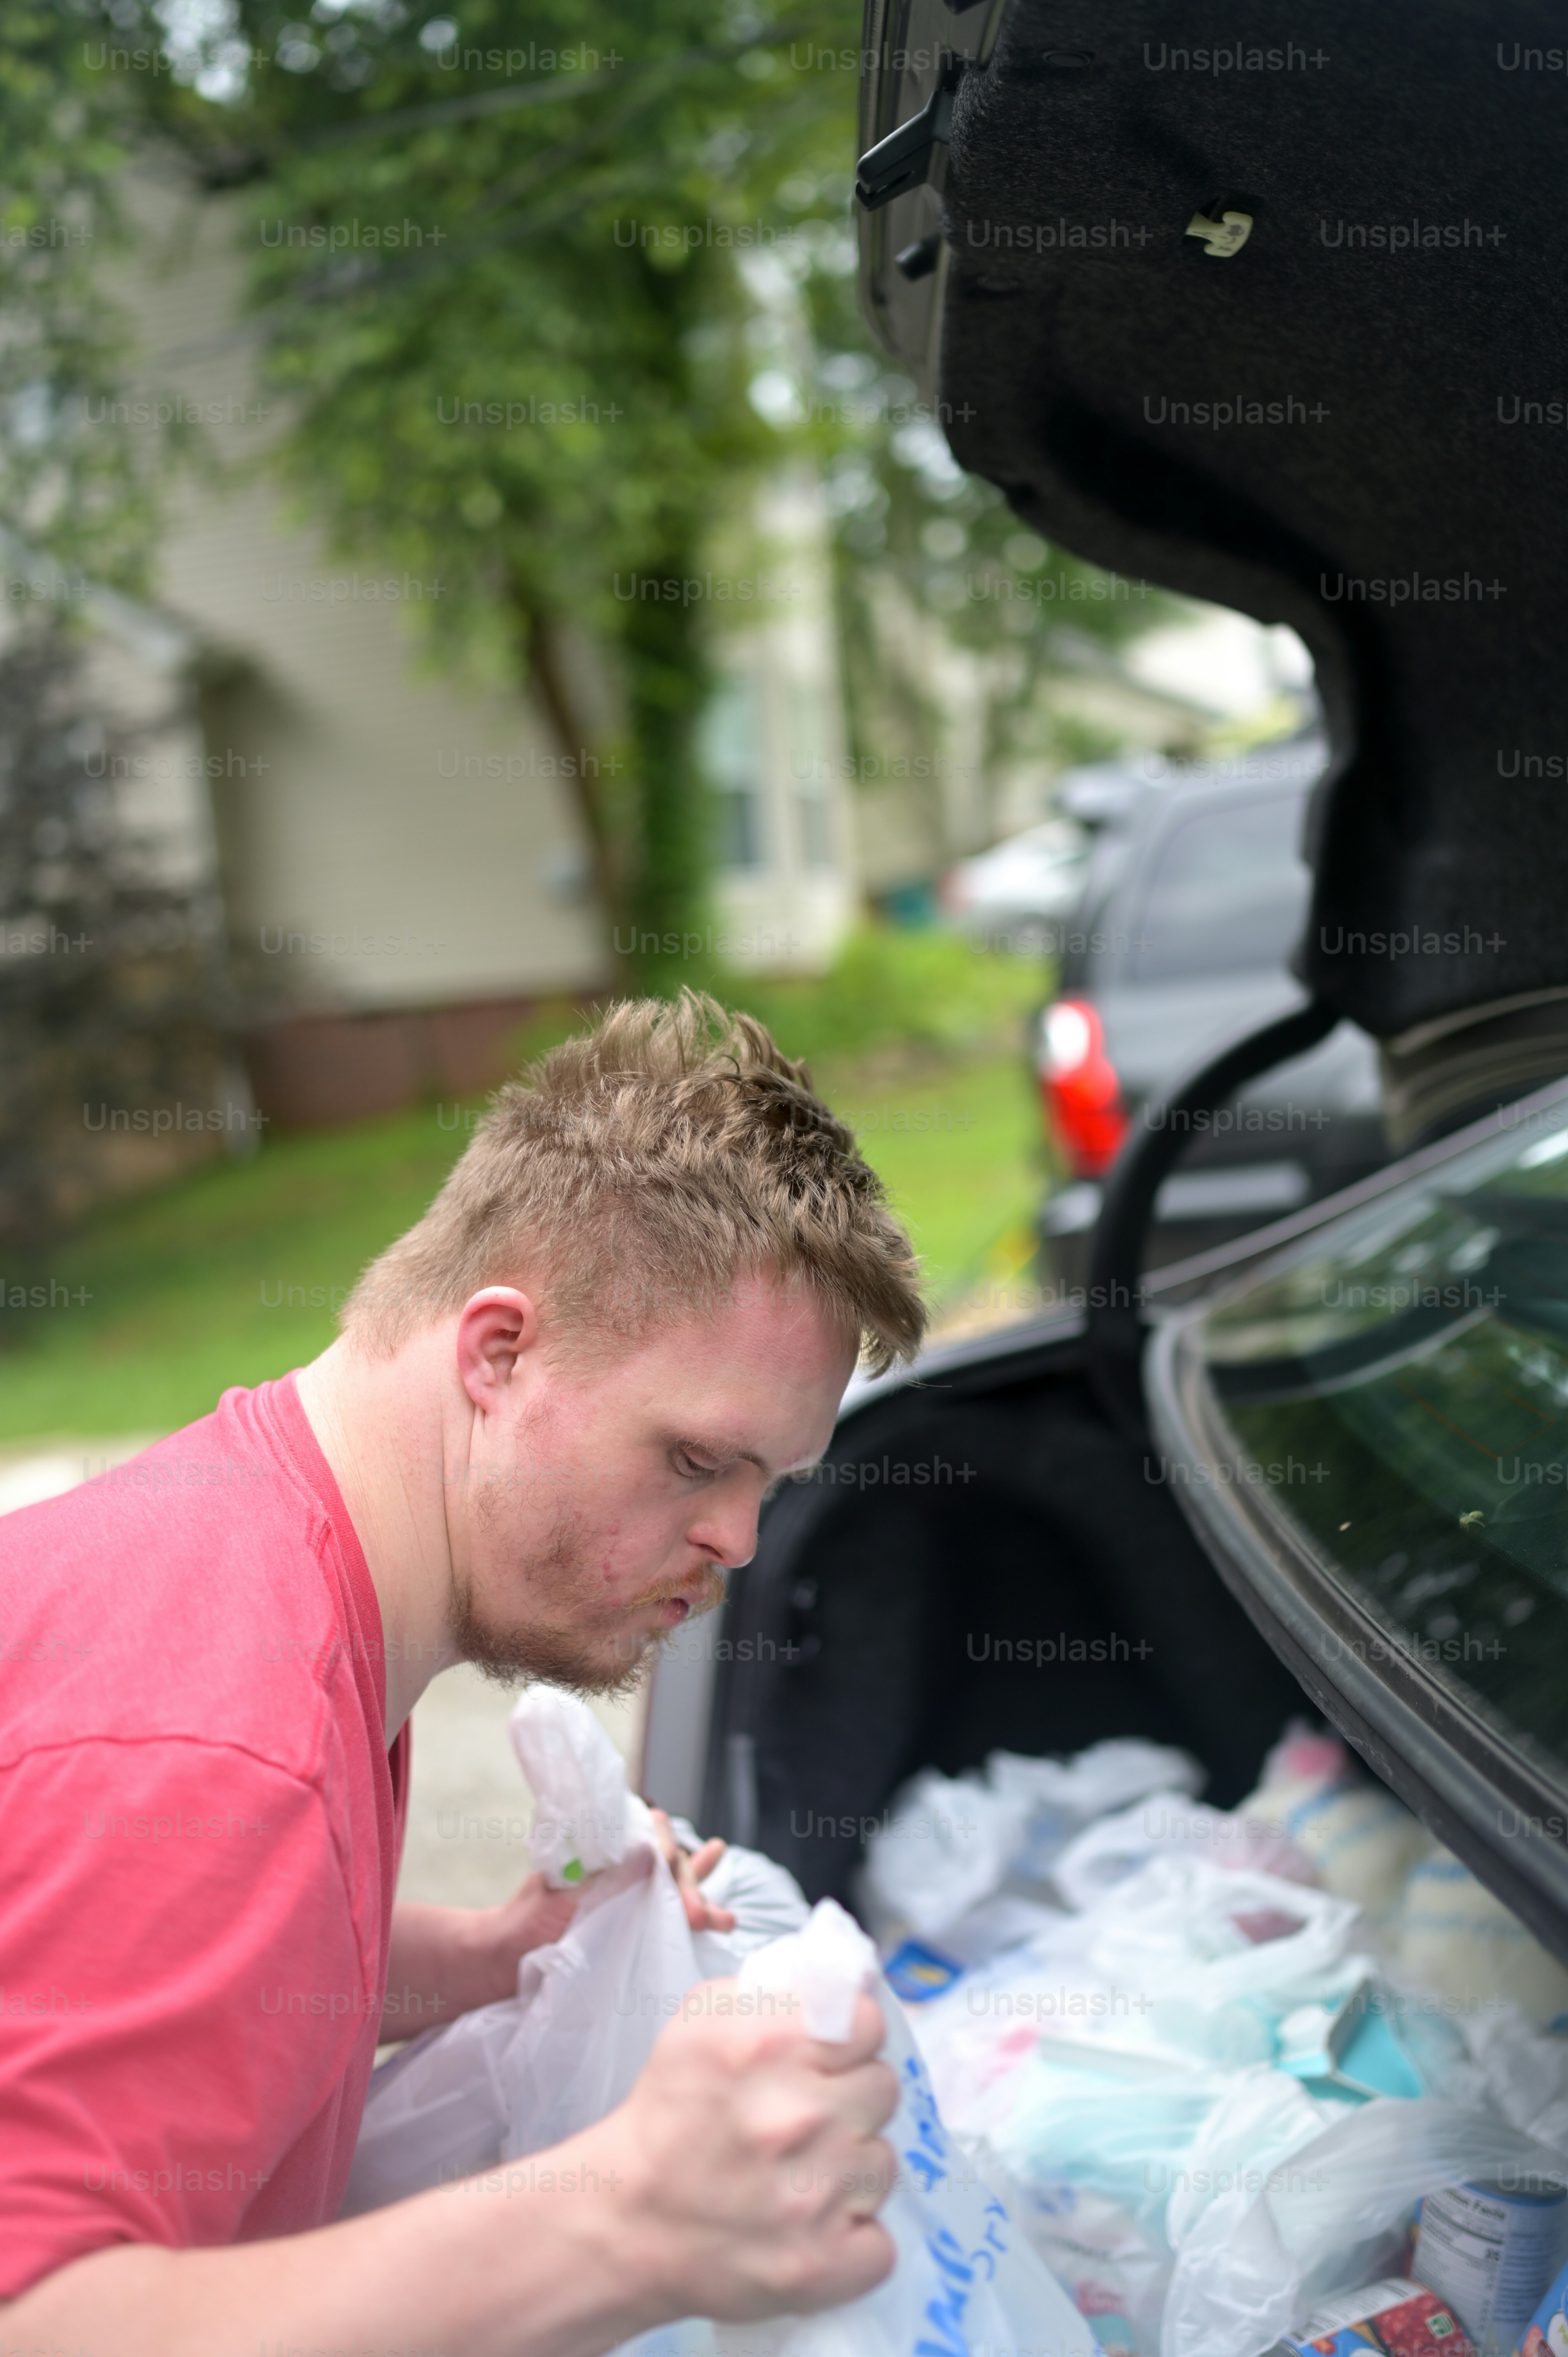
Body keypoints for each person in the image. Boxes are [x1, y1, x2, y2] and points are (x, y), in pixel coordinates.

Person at [0, 993, 926, 2355]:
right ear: (501, 1352)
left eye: (768, 1484)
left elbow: (176, 1984)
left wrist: (502, 1958)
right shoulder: (220, 1739)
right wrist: (631, 2223)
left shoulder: (266, 1557)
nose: (737, 1539)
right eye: (693, 1459)